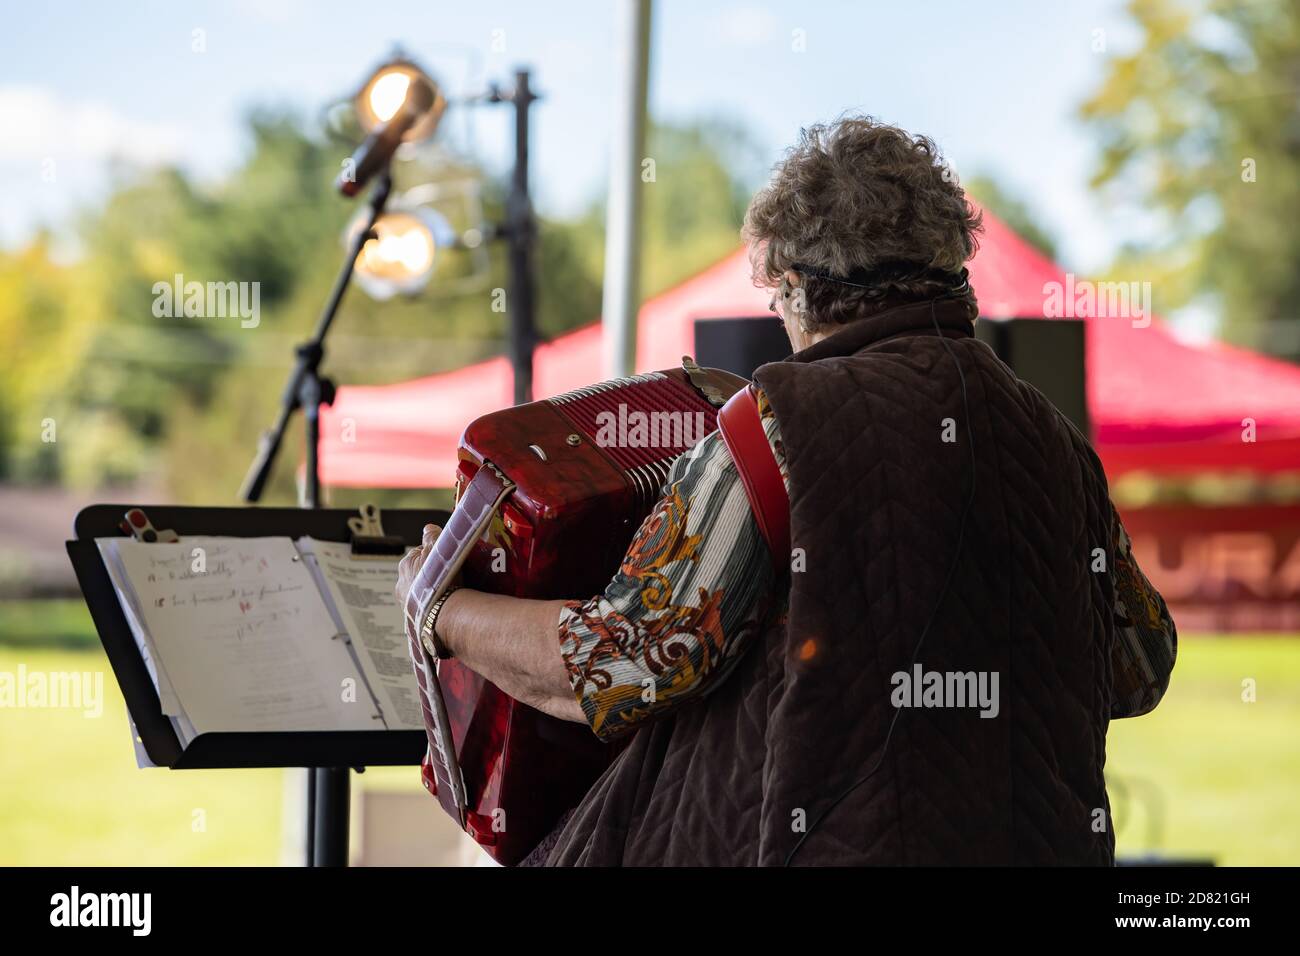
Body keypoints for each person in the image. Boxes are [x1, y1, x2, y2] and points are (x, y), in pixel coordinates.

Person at [395, 116, 1177, 866]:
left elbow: (627, 662)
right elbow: (1140, 666)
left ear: (797, 287)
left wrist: (442, 608)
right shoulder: (1053, 437)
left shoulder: (773, 430)